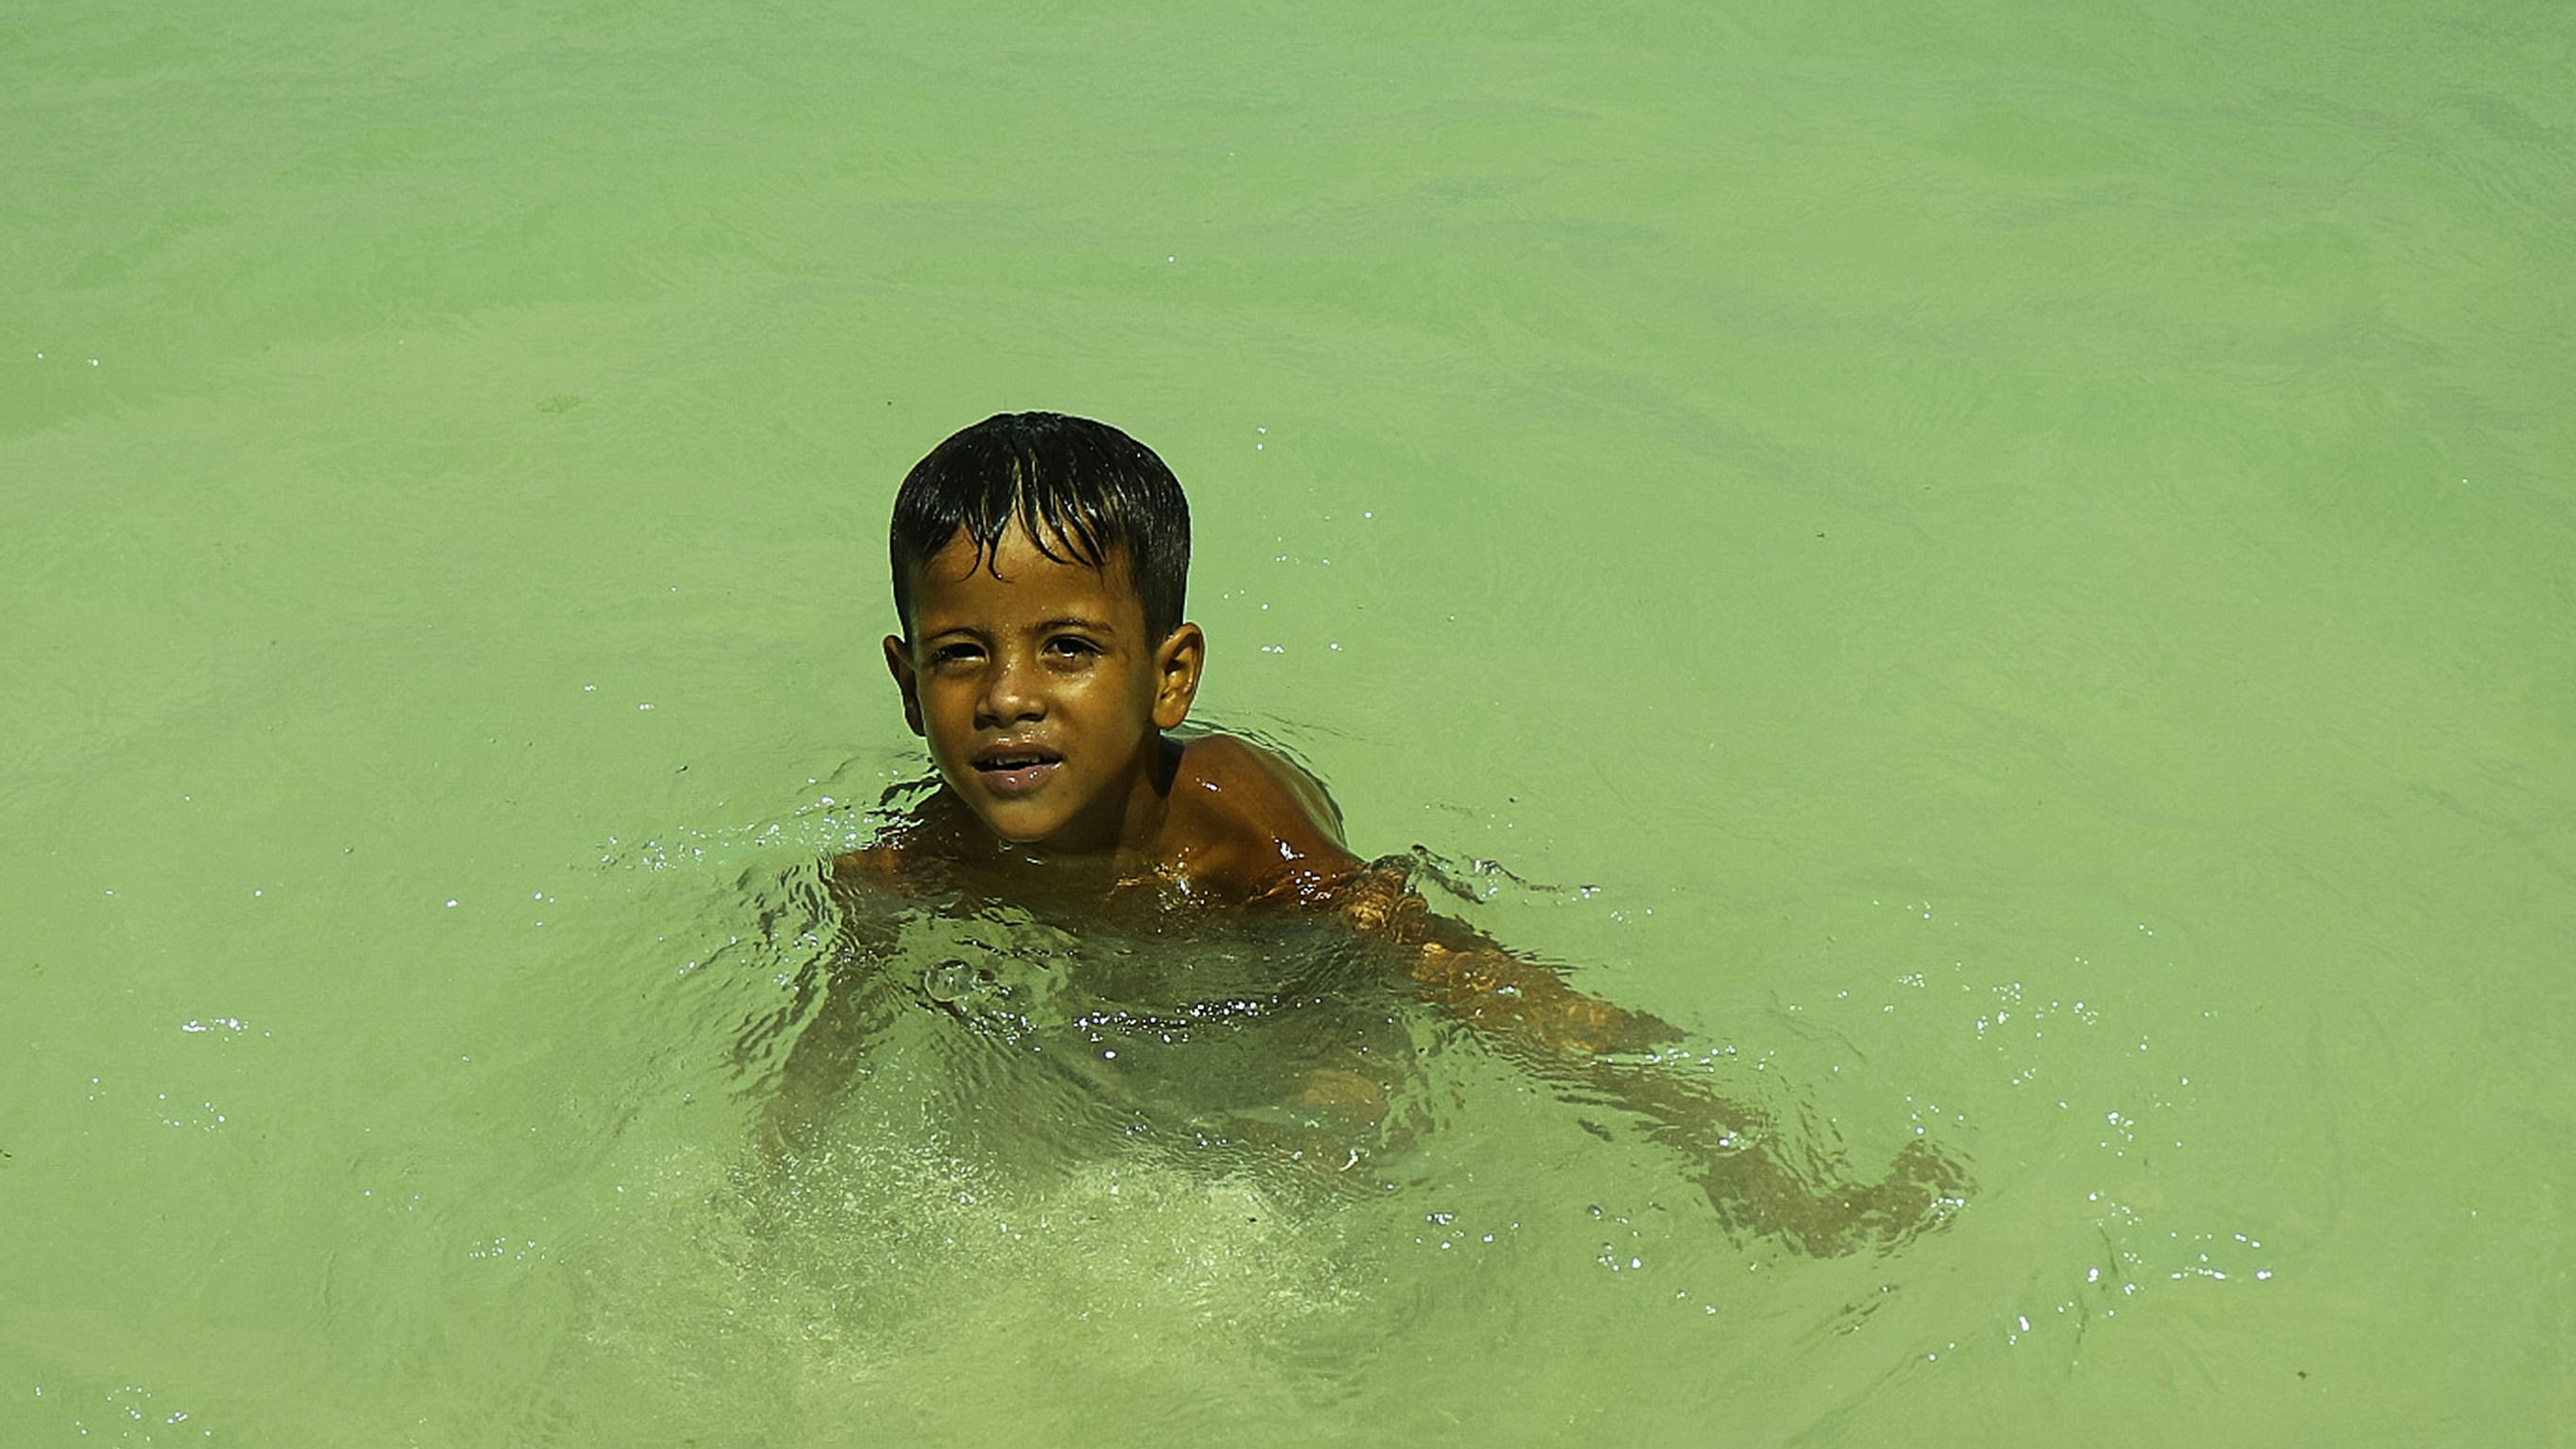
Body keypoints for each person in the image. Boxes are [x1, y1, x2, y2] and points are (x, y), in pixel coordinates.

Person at [821, 410, 1960, 1254]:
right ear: (907, 682)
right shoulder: (912, 866)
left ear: (1168, 678)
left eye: (1066, 647)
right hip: (1111, 1001)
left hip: (1304, 986)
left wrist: (1741, 1156)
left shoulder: (1232, 832)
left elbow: (1462, 973)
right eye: (961, 653)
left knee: (1326, 1146)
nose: (1008, 696)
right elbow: (819, 1060)